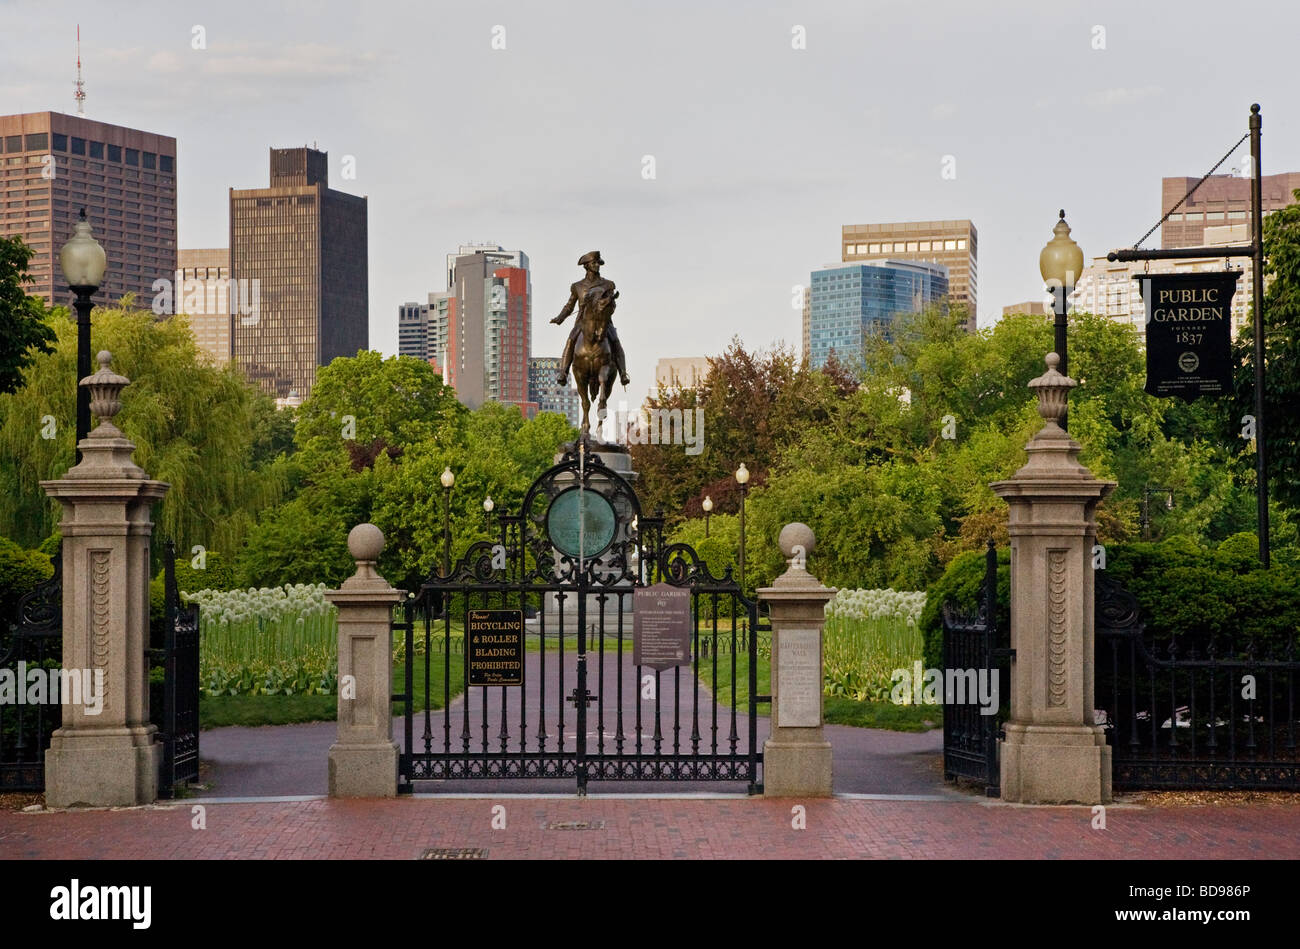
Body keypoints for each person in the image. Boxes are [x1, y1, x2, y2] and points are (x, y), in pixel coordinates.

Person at [552, 250, 630, 386]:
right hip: (582, 322)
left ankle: (623, 373)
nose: (597, 265)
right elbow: (569, 306)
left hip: (604, 322)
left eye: (598, 263)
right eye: (594, 263)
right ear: (586, 266)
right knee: (570, 341)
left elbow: (612, 306)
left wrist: (607, 310)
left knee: (615, 341)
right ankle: (563, 372)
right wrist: (560, 318)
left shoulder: (608, 285)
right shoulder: (577, 286)